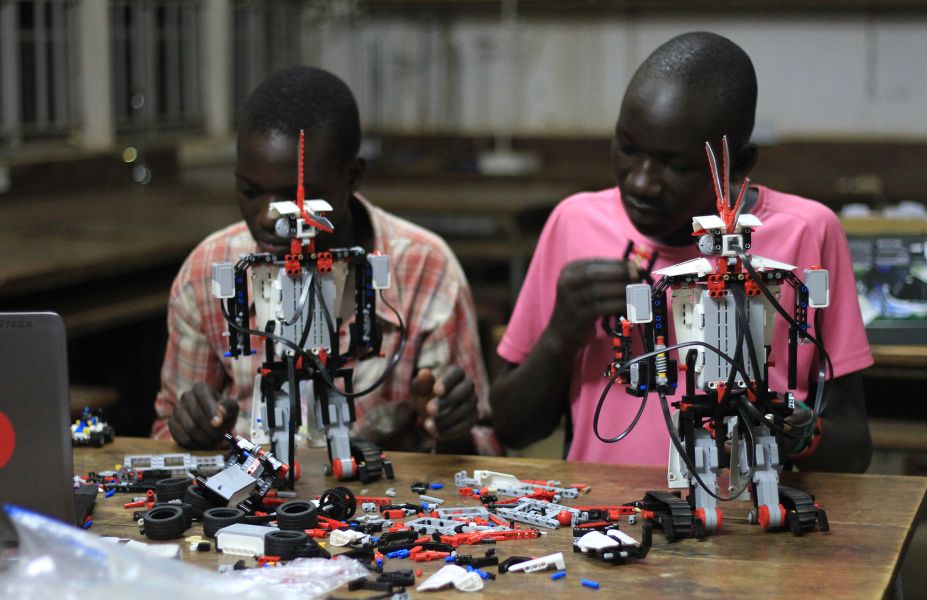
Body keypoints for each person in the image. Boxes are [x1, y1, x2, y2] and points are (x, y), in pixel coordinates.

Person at [491, 32, 873, 472]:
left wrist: (784, 430)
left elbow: (854, 448)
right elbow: (511, 428)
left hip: (749, 527)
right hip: (604, 520)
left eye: (675, 165)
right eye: (627, 148)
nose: (640, 182)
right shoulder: (573, 223)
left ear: (740, 164)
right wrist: (560, 336)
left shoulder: (808, 232)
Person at [152, 66, 500, 456]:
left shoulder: (426, 270)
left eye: (294, 197)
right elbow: (166, 434)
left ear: (352, 177)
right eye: (250, 191)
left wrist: (450, 426)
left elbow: (480, 453)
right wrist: (190, 428)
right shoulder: (207, 271)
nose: (269, 218)